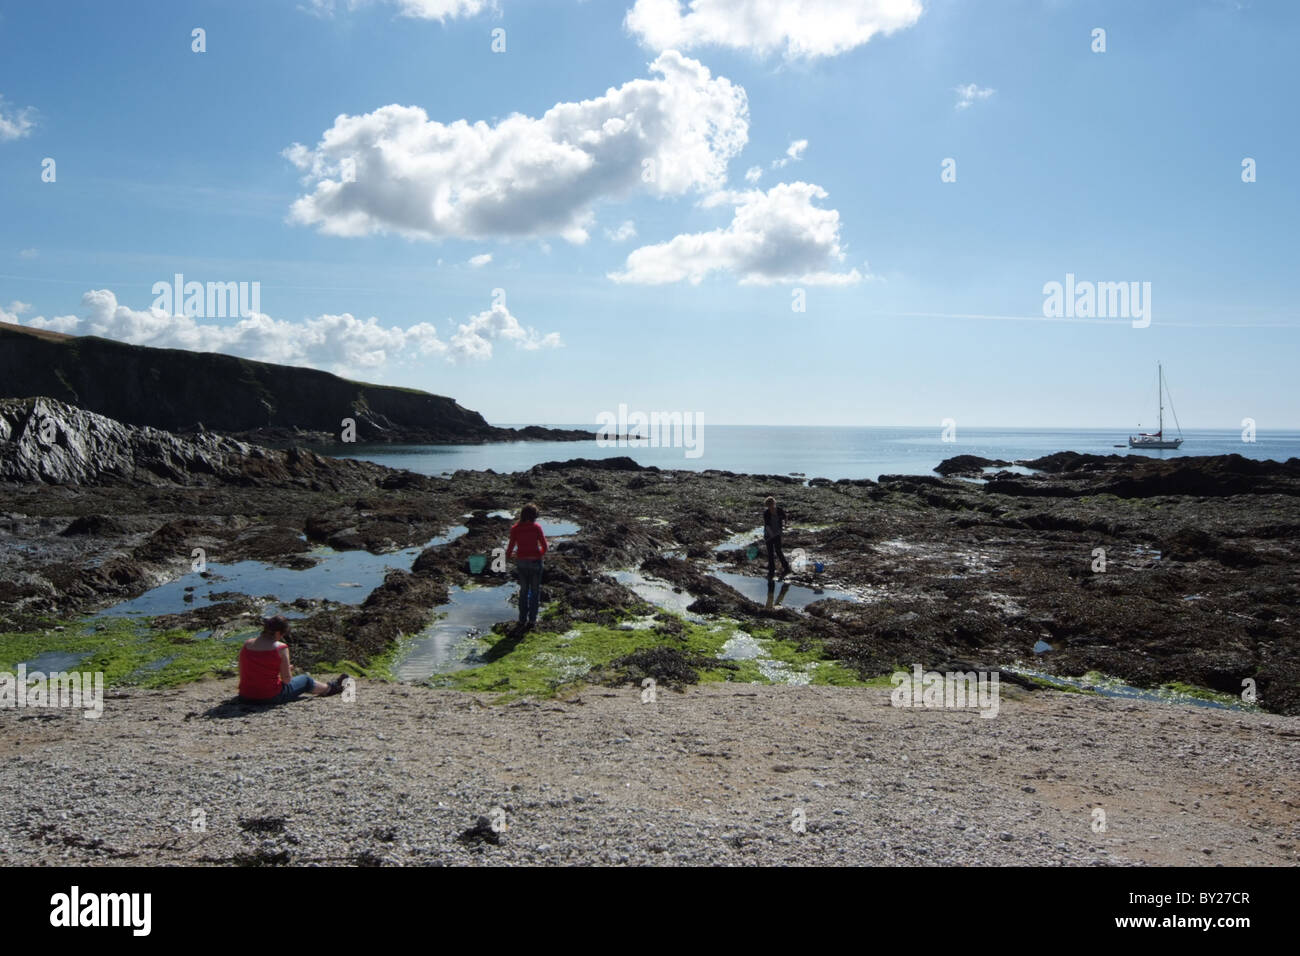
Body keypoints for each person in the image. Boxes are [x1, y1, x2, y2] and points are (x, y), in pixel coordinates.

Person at [238, 615, 345, 704]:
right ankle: (329, 688)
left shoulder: (247, 644)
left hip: (245, 695)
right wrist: (286, 670)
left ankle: (329, 687)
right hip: (270, 696)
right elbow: (287, 680)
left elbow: (246, 670)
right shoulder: (280, 648)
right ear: (278, 633)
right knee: (305, 680)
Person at [505, 502, 547, 629]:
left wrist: (509, 557)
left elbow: (510, 548)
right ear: (535, 516)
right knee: (535, 592)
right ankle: (532, 621)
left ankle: (522, 619)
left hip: (522, 563)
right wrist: (538, 554)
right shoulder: (536, 528)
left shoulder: (515, 529)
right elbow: (545, 547)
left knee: (523, 591)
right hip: (535, 562)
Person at [763, 495, 792, 580]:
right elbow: (767, 526)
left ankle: (786, 567)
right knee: (770, 553)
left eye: (772, 505)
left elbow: (785, 517)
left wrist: (785, 525)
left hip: (778, 533)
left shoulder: (779, 510)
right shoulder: (766, 513)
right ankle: (771, 570)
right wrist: (771, 535)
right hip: (768, 535)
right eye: (769, 506)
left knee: (778, 550)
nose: (771, 507)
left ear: (774, 503)